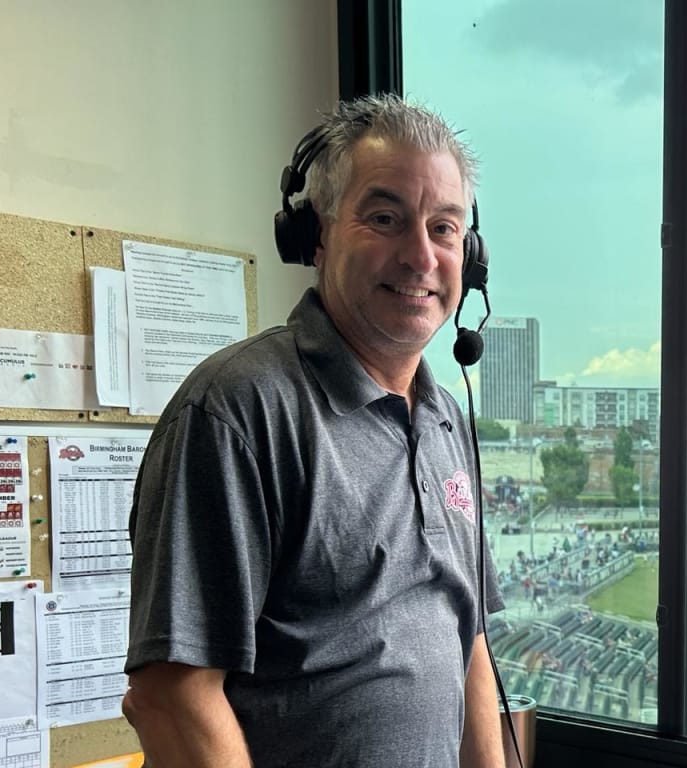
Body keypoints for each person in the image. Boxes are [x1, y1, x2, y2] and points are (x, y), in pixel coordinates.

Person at [123, 95, 505, 768]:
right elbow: (173, 693)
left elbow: (466, 639)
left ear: (468, 258)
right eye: (385, 218)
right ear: (317, 235)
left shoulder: (445, 419)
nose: (420, 255)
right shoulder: (237, 411)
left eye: (444, 228)